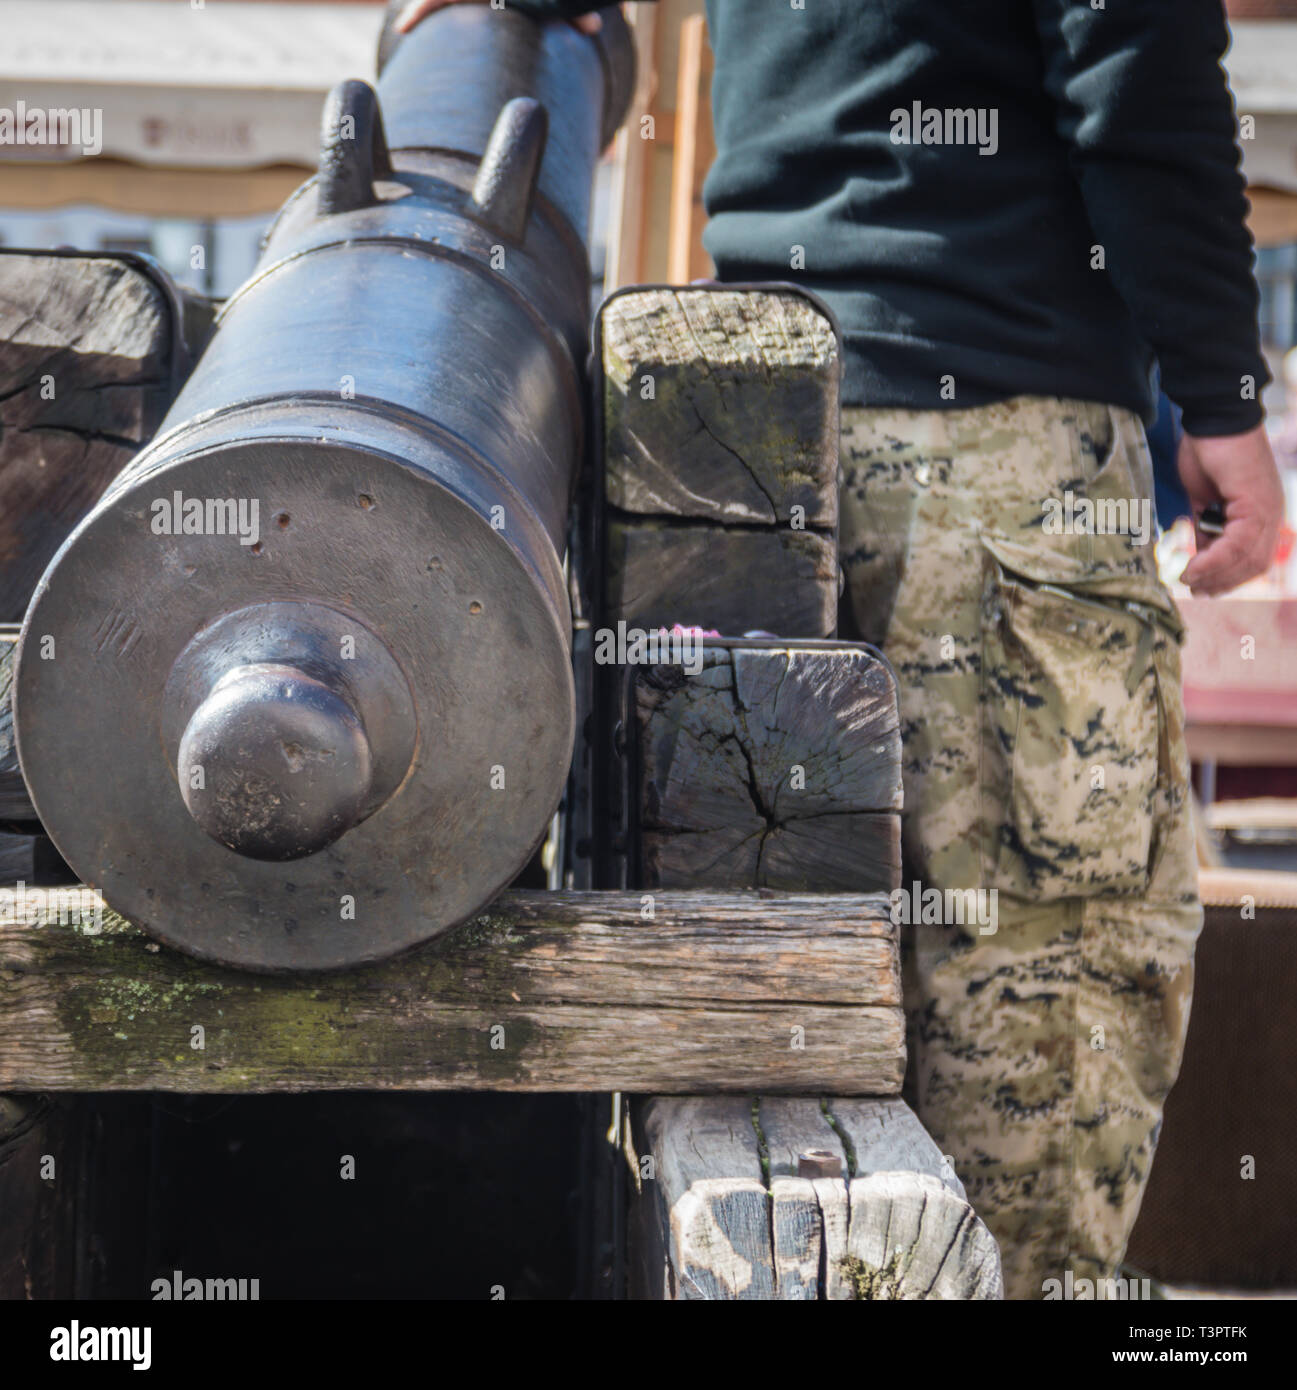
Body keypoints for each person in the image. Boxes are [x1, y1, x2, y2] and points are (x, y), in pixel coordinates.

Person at [396, 0, 1286, 1299]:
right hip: (992, 455)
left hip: (760, 460)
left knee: (786, 1059)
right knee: (1043, 1018)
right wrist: (1220, 391)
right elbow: (1135, 63)